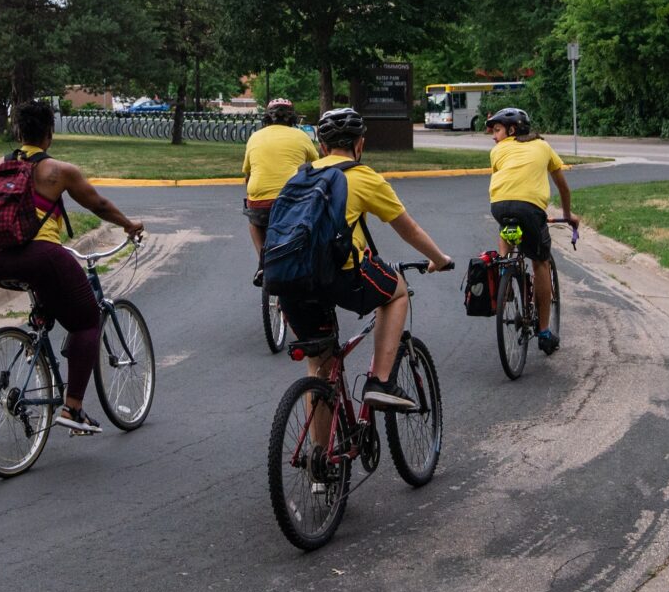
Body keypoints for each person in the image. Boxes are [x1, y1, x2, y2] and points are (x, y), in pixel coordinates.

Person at [0, 99, 146, 435]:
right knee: (87, 320)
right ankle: (73, 407)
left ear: (19, 132)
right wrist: (129, 225)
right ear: (49, 134)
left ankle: (40, 329)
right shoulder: (59, 171)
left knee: (49, 291)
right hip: (39, 255)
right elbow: (99, 204)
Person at [286, 106, 452, 413]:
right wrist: (439, 259)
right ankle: (381, 382)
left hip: (291, 279)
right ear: (360, 144)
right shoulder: (363, 176)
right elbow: (409, 230)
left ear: (322, 147)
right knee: (397, 291)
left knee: (320, 368)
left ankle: (318, 445)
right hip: (339, 275)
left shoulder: (301, 175)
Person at [485, 106, 576, 354]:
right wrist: (568, 214)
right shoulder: (543, 146)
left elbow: (508, 183)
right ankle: (544, 332)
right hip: (530, 209)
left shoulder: (497, 151)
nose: (493, 136)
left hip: (499, 206)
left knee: (507, 228)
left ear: (512, 130)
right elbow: (563, 187)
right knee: (540, 262)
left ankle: (505, 270)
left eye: (497, 130)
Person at [240, 98, 316, 274]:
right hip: (293, 200)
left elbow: (247, 174)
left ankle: (263, 263)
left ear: (267, 117)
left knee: (254, 222)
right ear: (292, 117)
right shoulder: (301, 136)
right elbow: (316, 165)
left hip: (260, 203)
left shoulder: (255, 137)